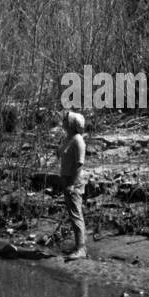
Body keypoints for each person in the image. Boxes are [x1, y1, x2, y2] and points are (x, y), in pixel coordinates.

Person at [58, 109, 87, 259]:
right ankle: (78, 246)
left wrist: (72, 184)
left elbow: (79, 164)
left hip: (73, 182)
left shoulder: (77, 140)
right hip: (67, 180)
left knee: (76, 215)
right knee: (73, 213)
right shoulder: (69, 138)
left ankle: (81, 249)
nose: (63, 122)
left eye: (66, 120)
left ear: (71, 124)